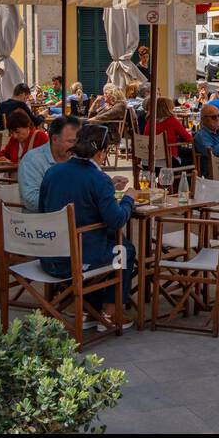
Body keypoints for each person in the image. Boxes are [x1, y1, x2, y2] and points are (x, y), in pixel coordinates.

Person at [38, 123, 135, 325]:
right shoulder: (98, 179)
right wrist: (128, 199)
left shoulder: (53, 172)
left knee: (108, 242)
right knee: (124, 249)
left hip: (49, 254)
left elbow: (43, 209)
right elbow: (116, 220)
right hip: (78, 260)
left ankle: (91, 310)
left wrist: (108, 187)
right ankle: (110, 312)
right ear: (101, 153)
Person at [19, 115, 81, 212]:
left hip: (75, 218)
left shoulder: (79, 157)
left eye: (78, 141)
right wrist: (74, 200)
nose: (76, 146)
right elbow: (31, 201)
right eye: (71, 141)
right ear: (55, 139)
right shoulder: (32, 160)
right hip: (41, 222)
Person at [143, 96, 192, 167]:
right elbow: (189, 139)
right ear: (168, 109)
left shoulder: (150, 122)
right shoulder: (171, 121)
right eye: (172, 108)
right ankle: (184, 177)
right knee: (194, 157)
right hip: (168, 161)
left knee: (184, 151)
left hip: (148, 161)